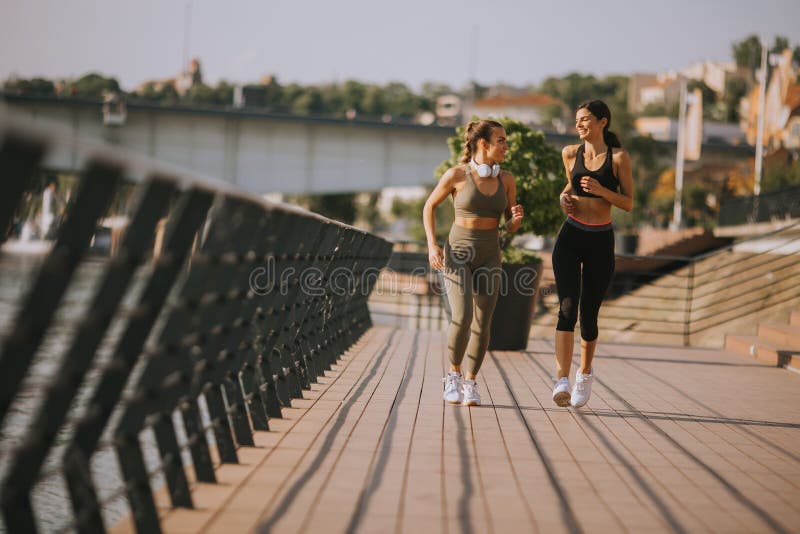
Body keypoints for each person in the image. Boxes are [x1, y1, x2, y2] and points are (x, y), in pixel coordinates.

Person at [423, 120, 524, 406]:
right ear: (483, 143)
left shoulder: (507, 179)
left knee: (483, 321)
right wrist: (432, 244)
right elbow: (429, 206)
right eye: (501, 140)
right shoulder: (456, 175)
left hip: (490, 254)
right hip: (458, 253)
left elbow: (510, 224)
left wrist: (515, 221)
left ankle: (470, 382)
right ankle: (452, 376)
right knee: (463, 316)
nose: (506, 146)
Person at [551, 100, 633, 408]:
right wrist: (563, 198)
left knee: (589, 316)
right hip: (570, 236)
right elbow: (568, 187)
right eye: (577, 120)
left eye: (585, 119)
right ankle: (561, 379)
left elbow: (627, 203)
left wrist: (602, 191)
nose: (579, 124)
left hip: (600, 240)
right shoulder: (570, 153)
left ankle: (584, 374)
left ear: (603, 122)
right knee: (566, 309)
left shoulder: (619, 159)